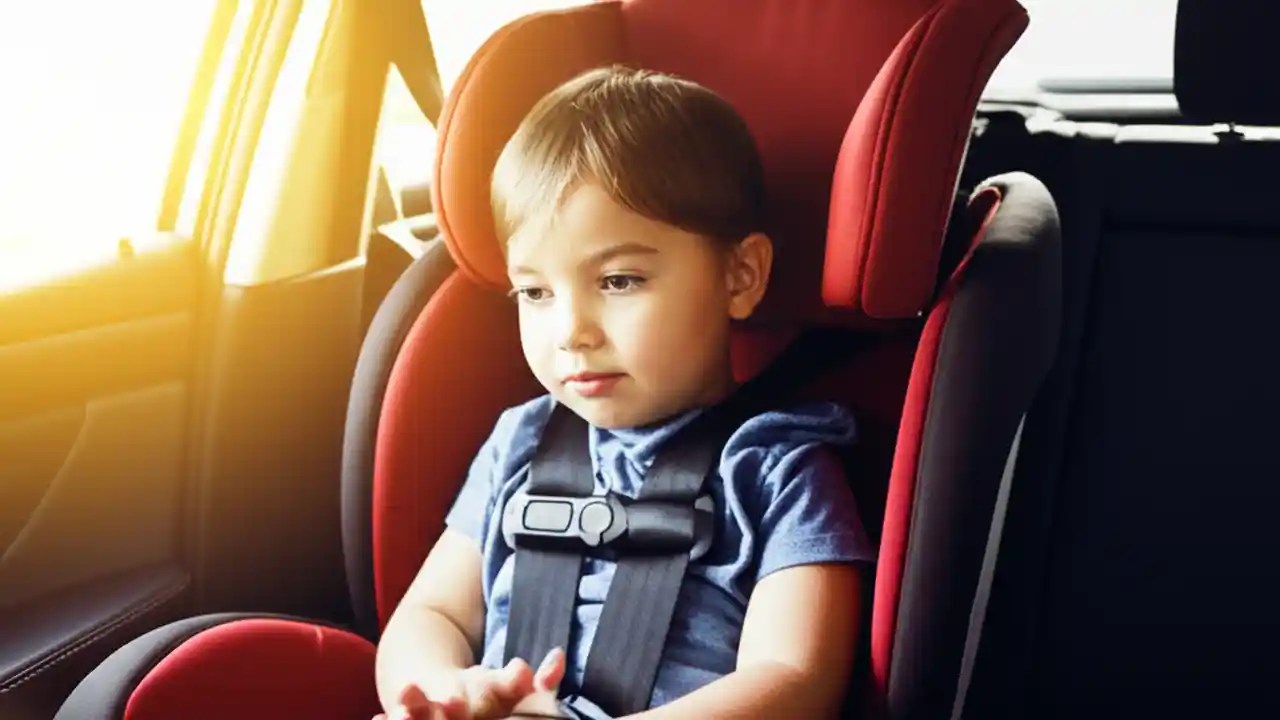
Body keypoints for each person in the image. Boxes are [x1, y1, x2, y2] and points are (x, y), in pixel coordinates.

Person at [374, 65, 874, 720]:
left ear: (741, 275)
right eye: (535, 292)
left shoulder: (776, 468)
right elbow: (431, 613)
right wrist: (445, 690)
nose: (570, 332)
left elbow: (797, 678)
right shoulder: (520, 444)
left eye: (618, 281)